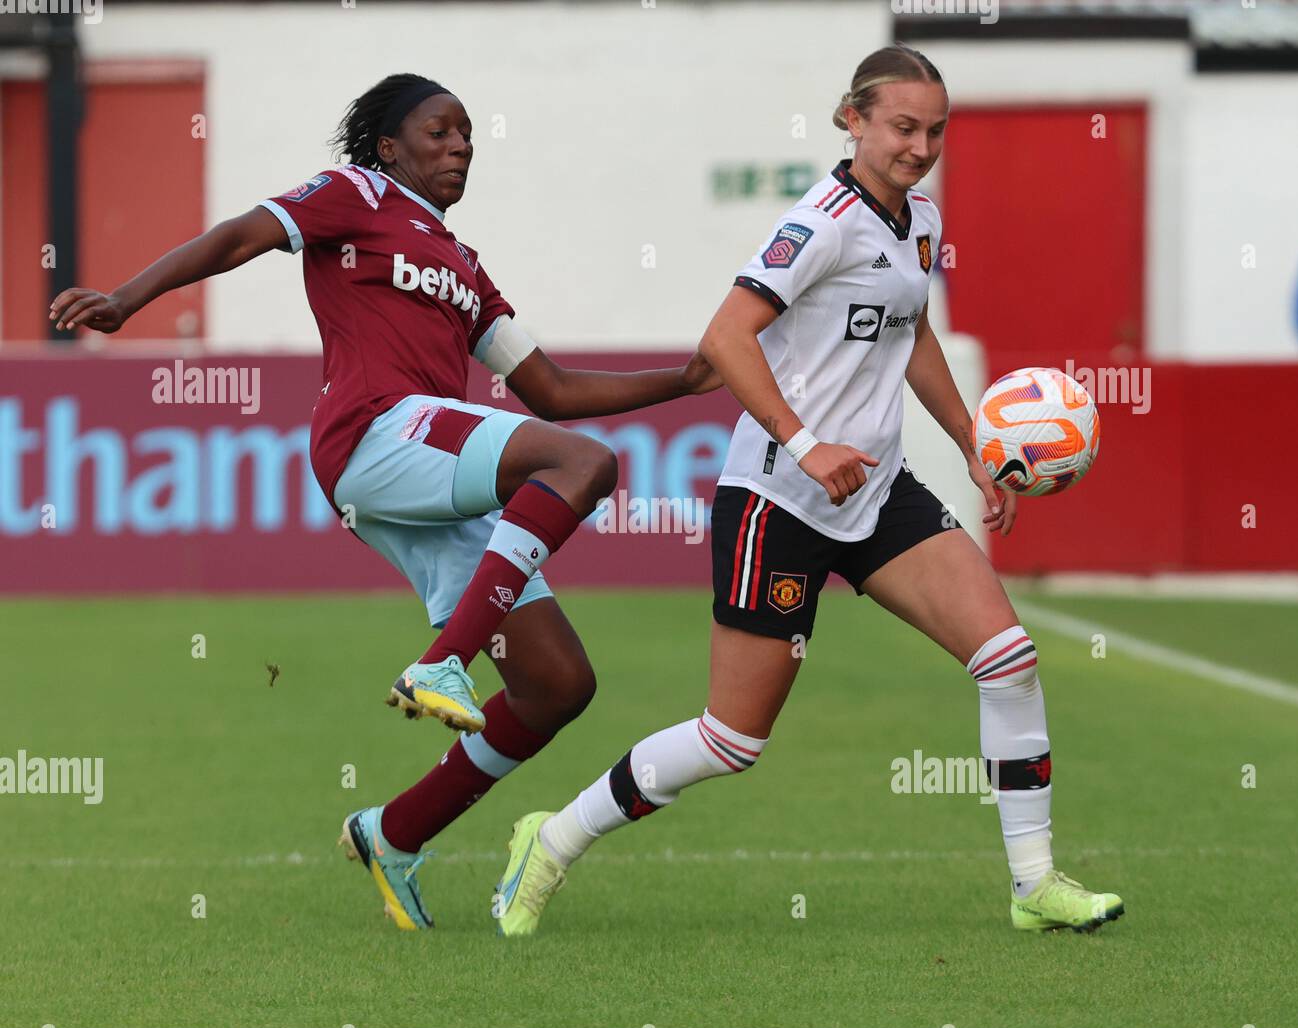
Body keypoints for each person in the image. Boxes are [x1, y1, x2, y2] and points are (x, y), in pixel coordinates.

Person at [49, 73, 719, 931]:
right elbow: (239, 237)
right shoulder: (353, 192)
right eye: (440, 133)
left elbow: (547, 388)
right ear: (389, 147)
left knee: (557, 686)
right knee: (584, 466)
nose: (459, 148)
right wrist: (128, 299)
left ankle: (393, 835)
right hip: (374, 434)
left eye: (469, 137)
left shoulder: (466, 268)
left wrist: (688, 380)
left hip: (425, 481)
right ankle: (445, 659)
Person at [492, 46, 1124, 937]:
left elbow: (914, 336)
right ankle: (550, 840)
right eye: (903, 127)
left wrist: (977, 448)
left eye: (935, 130)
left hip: (875, 493)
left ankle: (1034, 884)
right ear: (853, 119)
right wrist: (805, 440)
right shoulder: (820, 223)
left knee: (1007, 657)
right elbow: (727, 337)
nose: (920, 146)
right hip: (778, 500)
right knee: (731, 741)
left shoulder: (922, 221)